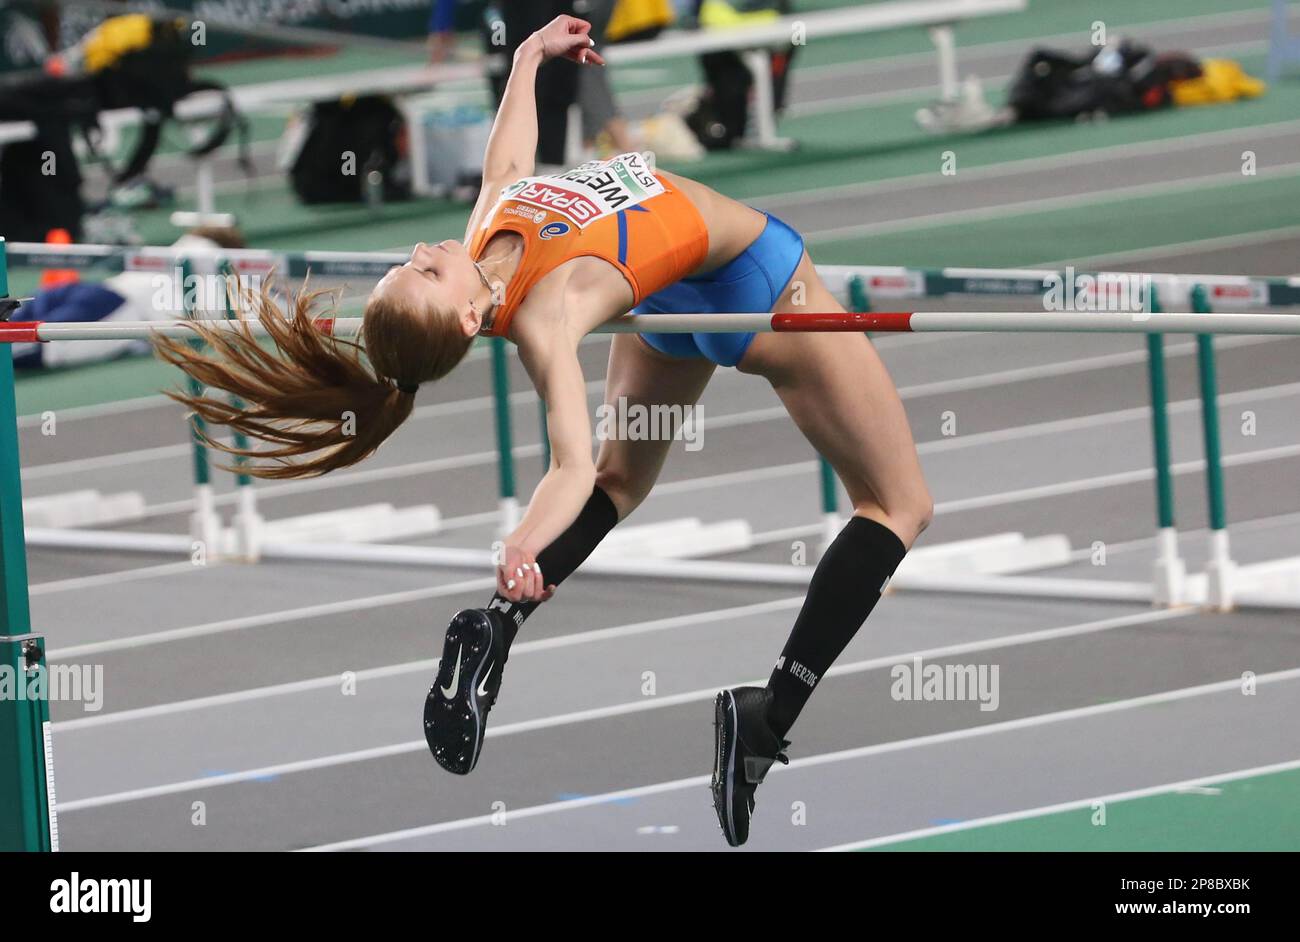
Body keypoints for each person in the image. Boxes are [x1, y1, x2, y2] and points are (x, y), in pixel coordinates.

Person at [156, 16, 932, 848]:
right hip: (761, 287)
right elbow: (565, 465)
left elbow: (510, 160)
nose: (423, 245)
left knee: (620, 485)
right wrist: (522, 541)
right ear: (465, 313)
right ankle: (767, 717)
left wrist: (527, 59)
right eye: (423, 268)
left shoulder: (488, 231)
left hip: (664, 309)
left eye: (410, 257)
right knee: (897, 504)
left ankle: (498, 626)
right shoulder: (546, 316)